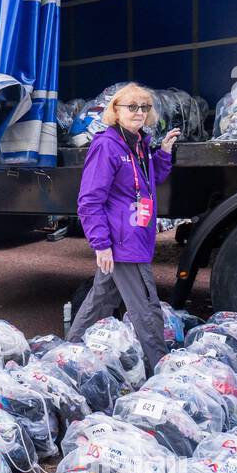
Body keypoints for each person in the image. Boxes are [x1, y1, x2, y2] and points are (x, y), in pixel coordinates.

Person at [66, 83, 181, 375]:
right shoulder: (107, 145)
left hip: (136, 236)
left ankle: (66, 356)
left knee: (100, 300)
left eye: (144, 107)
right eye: (132, 107)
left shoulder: (140, 143)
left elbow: (147, 180)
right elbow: (89, 200)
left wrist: (164, 152)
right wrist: (101, 244)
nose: (139, 113)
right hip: (122, 242)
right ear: (116, 111)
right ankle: (163, 372)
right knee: (147, 308)